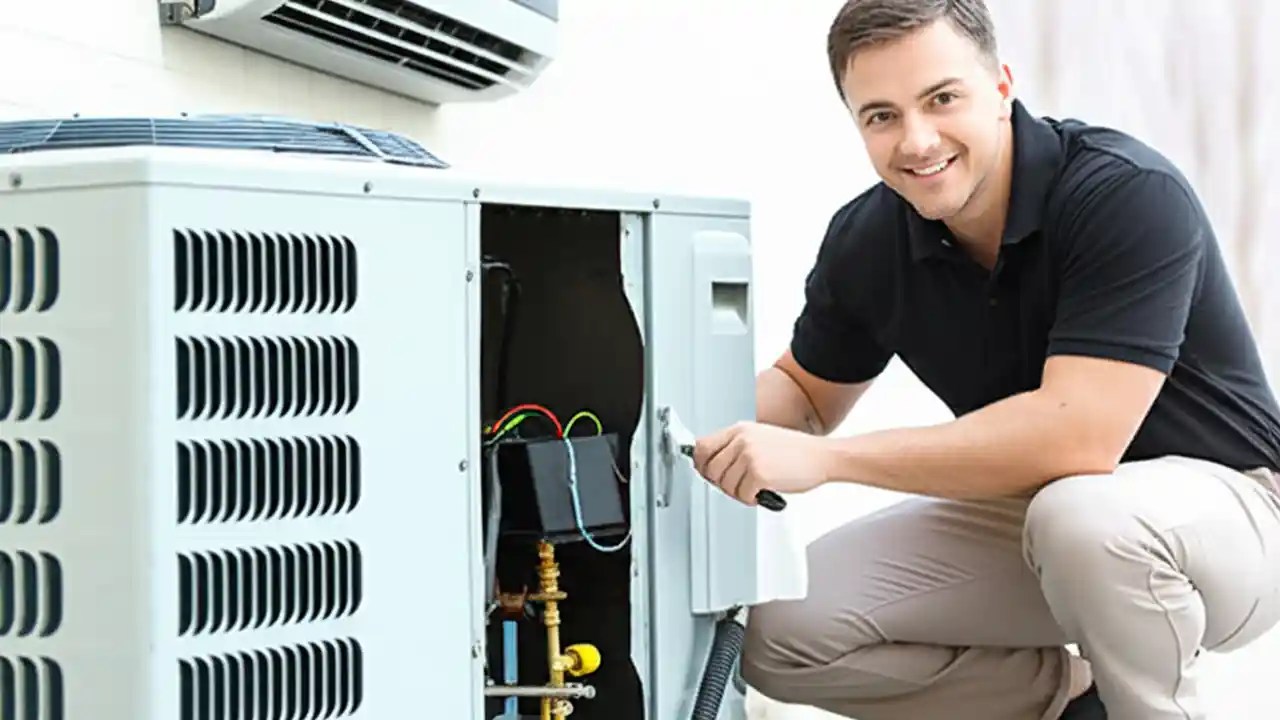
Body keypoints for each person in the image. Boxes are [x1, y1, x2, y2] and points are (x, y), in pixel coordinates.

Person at [689, 1, 1280, 719]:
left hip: (1235, 512)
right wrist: (671, 426)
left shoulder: (1123, 192)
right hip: (1045, 519)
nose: (916, 139)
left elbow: (1078, 439)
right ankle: (1070, 702)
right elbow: (805, 397)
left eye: (941, 98)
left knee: (1083, 514)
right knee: (783, 634)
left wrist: (830, 463)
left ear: (1001, 85)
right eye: (880, 115)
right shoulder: (869, 240)